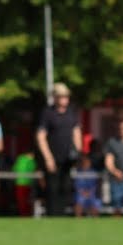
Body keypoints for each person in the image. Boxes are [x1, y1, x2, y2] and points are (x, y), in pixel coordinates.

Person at [36, 83, 83, 216]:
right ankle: (52, 215)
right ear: (55, 97)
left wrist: (78, 151)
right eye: (61, 96)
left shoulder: (71, 112)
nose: (64, 99)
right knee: (52, 188)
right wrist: (48, 158)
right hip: (52, 157)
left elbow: (76, 132)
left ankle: (62, 215)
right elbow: (41, 136)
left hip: (68, 157)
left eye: (66, 96)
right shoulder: (47, 113)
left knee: (66, 187)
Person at [72, 153, 103, 218]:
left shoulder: (94, 172)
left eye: (87, 162)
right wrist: (82, 192)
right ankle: (78, 220)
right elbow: (76, 185)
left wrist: (89, 192)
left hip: (92, 194)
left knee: (95, 202)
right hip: (81, 194)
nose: (85, 163)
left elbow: (96, 185)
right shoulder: (77, 172)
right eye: (83, 162)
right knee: (78, 200)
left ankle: (95, 221)